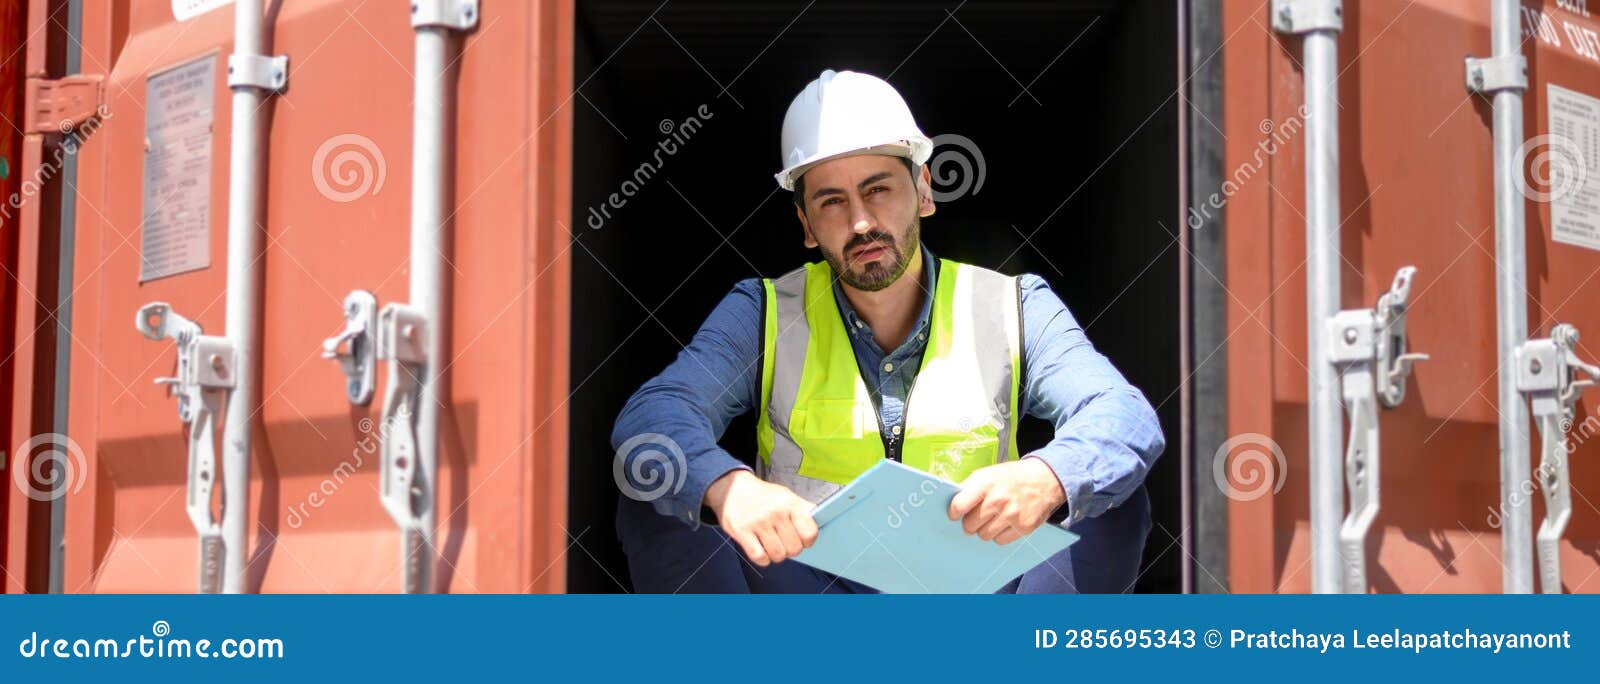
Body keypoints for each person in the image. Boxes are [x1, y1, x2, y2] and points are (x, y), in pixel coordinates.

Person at [612, 69, 1164, 593]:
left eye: (878, 190)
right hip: (814, 592)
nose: (860, 222)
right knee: (657, 487)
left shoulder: (1013, 305)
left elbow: (1123, 414)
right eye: (832, 201)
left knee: (1113, 488)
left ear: (924, 191)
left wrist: (1046, 475)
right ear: (806, 225)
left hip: (974, 593)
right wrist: (727, 486)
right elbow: (654, 415)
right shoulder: (763, 311)